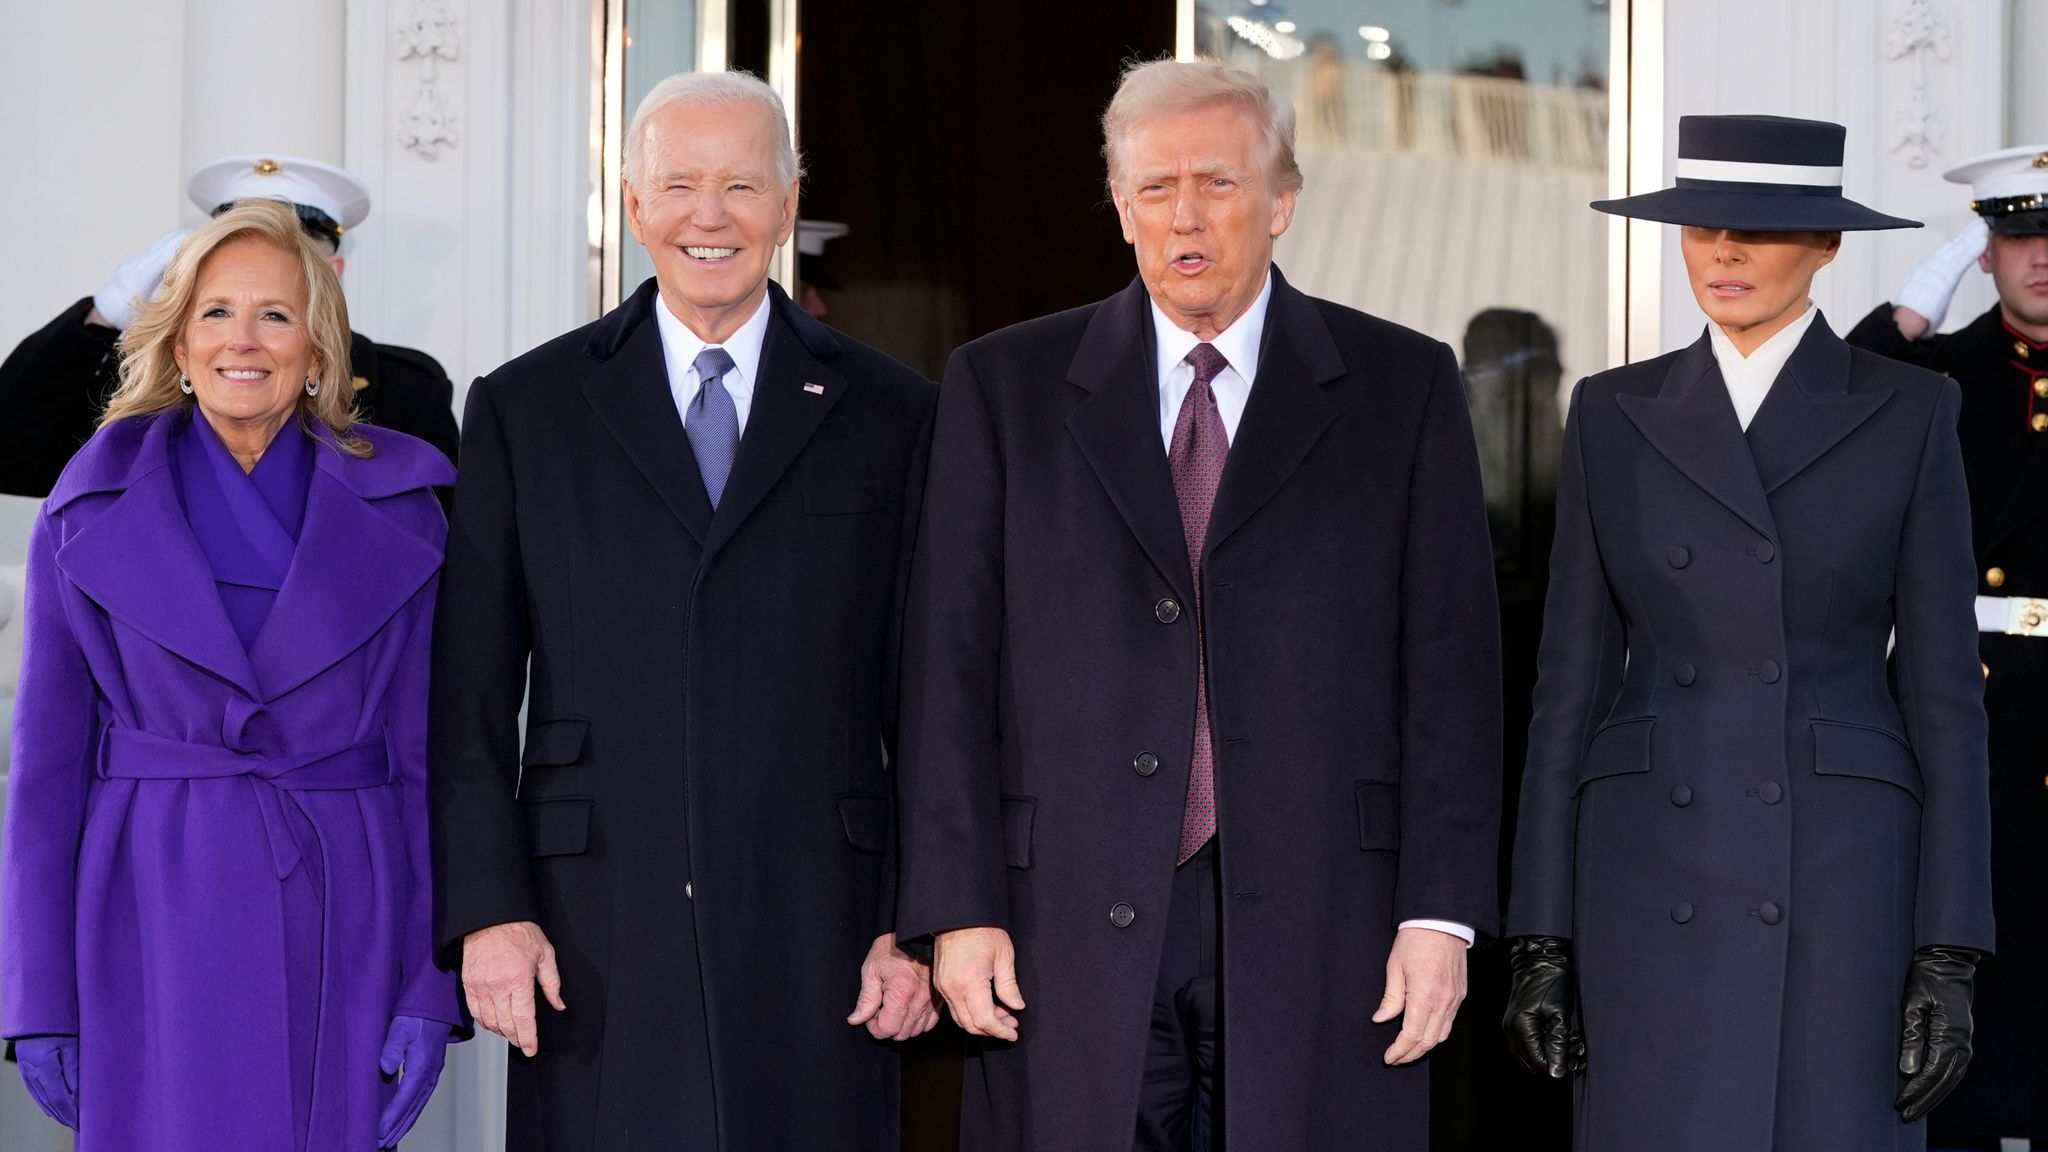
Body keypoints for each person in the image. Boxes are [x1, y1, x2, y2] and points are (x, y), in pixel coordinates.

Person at [898, 58, 1503, 1151]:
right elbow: (948, 664)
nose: (1186, 215)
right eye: (1155, 187)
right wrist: (957, 904)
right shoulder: (1002, 386)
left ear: (1281, 201)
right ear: (1119, 204)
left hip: (1331, 919)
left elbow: (1451, 672)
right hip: (1060, 918)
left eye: (1218, 183)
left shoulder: (1403, 386)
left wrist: (1439, 912)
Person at [429, 70, 938, 1152]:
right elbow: (466, 696)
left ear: (788, 205)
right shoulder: (526, 408)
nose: (711, 216)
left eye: (742, 186)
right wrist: (488, 908)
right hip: (591, 921)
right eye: (678, 185)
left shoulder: (896, 413)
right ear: (632, 205)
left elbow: (934, 695)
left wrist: (918, 920)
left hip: (826, 921)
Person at [1503, 115, 1994, 1152]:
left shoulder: (1911, 411)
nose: (1722, 253)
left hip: (1841, 873)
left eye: (1757, 230)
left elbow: (1946, 699)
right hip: (1647, 865)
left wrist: (1948, 947)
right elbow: (1568, 690)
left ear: (1825, 245)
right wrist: (1538, 931)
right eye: (1701, 228)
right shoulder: (1610, 412)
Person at [0, 200, 462, 1152]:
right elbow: (44, 778)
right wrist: (37, 995)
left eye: (275, 315)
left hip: (344, 907)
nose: (241, 340)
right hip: (145, 911)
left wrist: (429, 982)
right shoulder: (85, 505)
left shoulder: (409, 510)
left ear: (319, 349)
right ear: (178, 343)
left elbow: (432, 767)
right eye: (215, 312)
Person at [1844, 143, 2048, 1149]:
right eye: (2017, 236)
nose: (2040, 258)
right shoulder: (1937, 377)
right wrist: (1921, 294)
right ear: (1984, 251)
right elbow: (1840, 391)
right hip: (1965, 705)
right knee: (1966, 961)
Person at [0, 153, 459, 498]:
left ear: (332, 273)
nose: (241, 341)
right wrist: (108, 309)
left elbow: (441, 545)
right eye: (240, 245)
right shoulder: (160, 382)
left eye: (293, 249)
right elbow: (13, 456)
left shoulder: (403, 388)